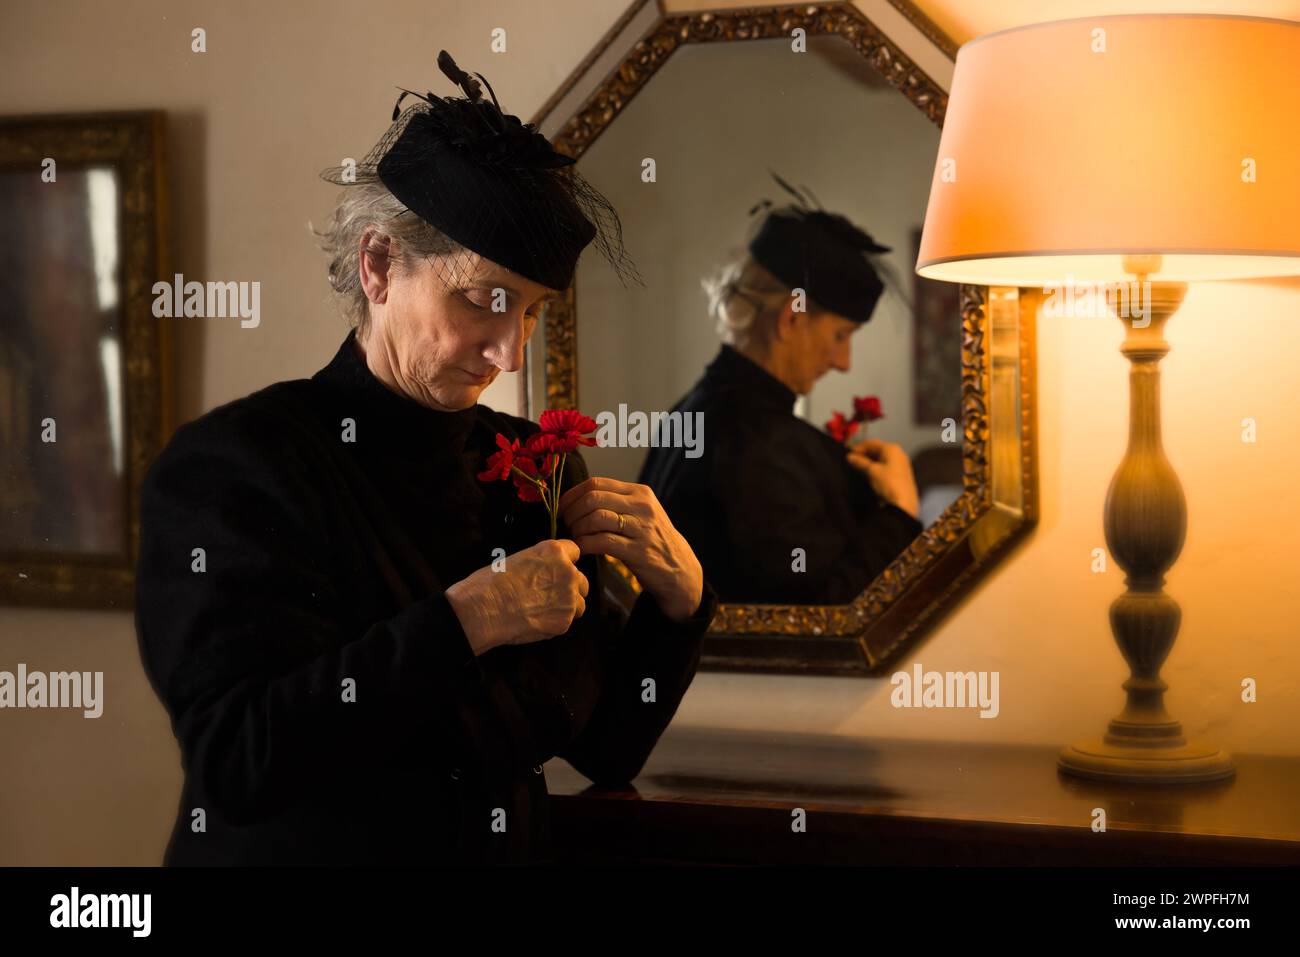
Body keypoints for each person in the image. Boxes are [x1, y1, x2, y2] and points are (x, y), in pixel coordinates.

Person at [135, 51, 717, 866]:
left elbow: (604, 751)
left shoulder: (534, 467)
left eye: (532, 312)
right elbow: (241, 760)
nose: (510, 354)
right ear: (378, 265)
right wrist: (470, 619)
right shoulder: (237, 466)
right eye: (486, 300)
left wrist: (680, 603)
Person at [639, 178, 922, 604]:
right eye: (842, 335)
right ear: (792, 318)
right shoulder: (762, 444)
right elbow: (817, 614)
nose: (844, 362)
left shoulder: (690, 413)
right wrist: (899, 514)